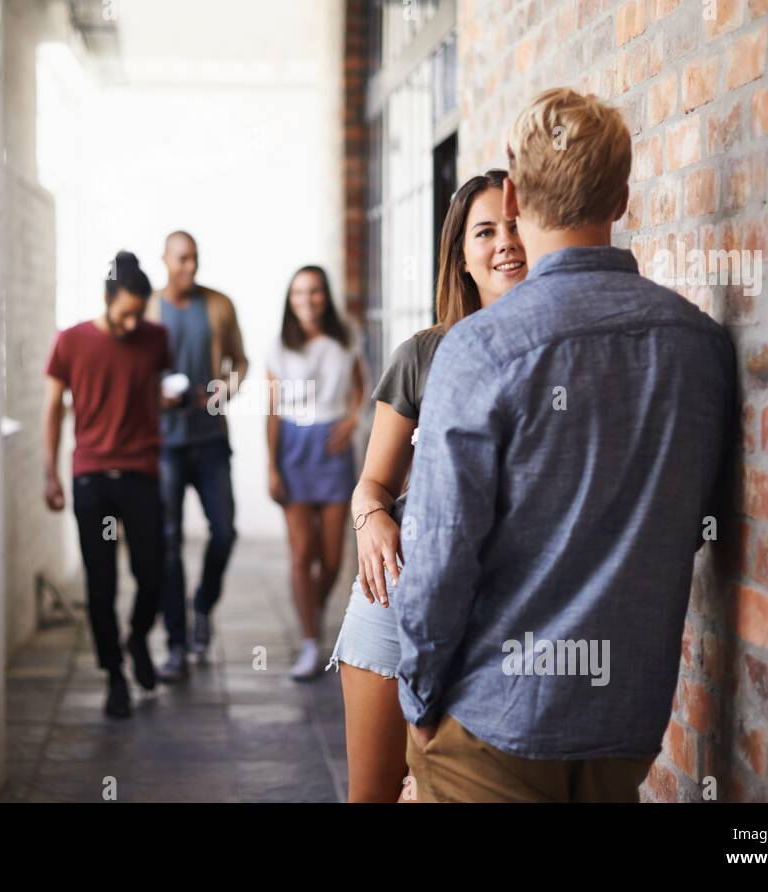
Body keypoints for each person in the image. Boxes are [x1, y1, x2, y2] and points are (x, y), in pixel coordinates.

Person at [396, 87, 737, 802]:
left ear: (513, 195)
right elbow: (696, 523)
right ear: (620, 196)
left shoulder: (481, 349)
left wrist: (419, 700)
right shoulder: (700, 347)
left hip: (493, 727)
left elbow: (439, 554)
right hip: (627, 727)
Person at [325, 171, 527, 801]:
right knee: (378, 795)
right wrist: (371, 519)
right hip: (397, 600)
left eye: (516, 225)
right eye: (485, 231)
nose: (505, 243)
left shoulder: (558, 354)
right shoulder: (424, 354)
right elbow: (372, 484)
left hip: (503, 623)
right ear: (461, 257)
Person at [43, 251, 169, 719]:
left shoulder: (156, 339)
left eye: (140, 313)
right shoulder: (70, 341)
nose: (133, 323)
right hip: (92, 477)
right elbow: (53, 408)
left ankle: (137, 637)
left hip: (140, 473)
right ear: (106, 299)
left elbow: (151, 389)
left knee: (153, 573)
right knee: (101, 580)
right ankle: (114, 674)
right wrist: (50, 473)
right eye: (125, 314)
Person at [145, 231, 248, 681]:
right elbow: (134, 370)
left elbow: (239, 361)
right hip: (164, 443)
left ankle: (202, 605)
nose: (190, 267)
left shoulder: (219, 305)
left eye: (195, 259)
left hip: (209, 438)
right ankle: (174, 641)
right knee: (167, 542)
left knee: (224, 531)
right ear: (165, 260)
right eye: (182, 259)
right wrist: (153, 395)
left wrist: (227, 385)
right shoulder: (148, 308)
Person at [265, 266, 365, 680]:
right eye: (299, 293)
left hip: (333, 447)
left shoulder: (347, 338)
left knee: (333, 557)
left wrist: (353, 418)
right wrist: (271, 465)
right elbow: (271, 409)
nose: (307, 300)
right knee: (302, 554)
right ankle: (310, 640)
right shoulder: (279, 346)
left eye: (315, 292)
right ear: (290, 299)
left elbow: (362, 384)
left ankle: (312, 610)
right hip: (293, 444)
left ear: (326, 296)